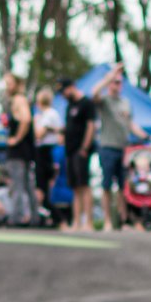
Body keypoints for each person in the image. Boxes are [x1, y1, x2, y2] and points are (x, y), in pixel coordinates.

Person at [94, 64, 147, 232]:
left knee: (124, 187)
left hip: (124, 149)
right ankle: (107, 221)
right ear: (109, 83)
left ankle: (124, 221)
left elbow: (130, 124)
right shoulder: (104, 101)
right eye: (114, 82)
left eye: (119, 82)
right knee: (106, 186)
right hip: (107, 148)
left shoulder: (126, 103)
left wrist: (145, 136)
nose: (117, 84)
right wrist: (110, 76)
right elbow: (94, 93)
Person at [59, 77, 98, 231]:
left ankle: (88, 222)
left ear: (72, 87)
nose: (63, 95)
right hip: (69, 151)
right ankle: (76, 222)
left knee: (84, 185)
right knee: (75, 187)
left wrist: (84, 148)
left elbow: (91, 126)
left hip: (81, 151)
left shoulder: (86, 103)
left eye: (64, 91)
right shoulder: (69, 106)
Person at [0, 73, 36, 226]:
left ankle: (17, 218)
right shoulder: (19, 100)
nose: (7, 87)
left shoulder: (18, 99)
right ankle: (34, 218)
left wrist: (16, 138)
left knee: (17, 185)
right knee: (27, 186)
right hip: (25, 151)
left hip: (18, 152)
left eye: (9, 84)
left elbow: (26, 119)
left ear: (17, 84)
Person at [33, 86, 62, 226]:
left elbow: (39, 134)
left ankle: (58, 218)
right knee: (42, 188)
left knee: (43, 189)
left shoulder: (49, 114)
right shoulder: (46, 114)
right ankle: (49, 217)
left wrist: (35, 123)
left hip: (45, 152)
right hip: (43, 152)